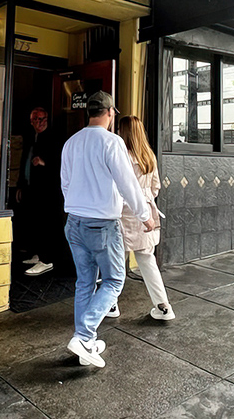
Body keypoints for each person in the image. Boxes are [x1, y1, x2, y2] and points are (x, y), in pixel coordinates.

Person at [61, 91, 155, 368]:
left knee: (85, 282)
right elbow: (128, 183)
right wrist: (145, 215)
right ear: (111, 113)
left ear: (88, 112)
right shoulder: (112, 142)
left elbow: (65, 183)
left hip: (74, 222)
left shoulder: (71, 142)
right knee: (114, 280)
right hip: (101, 224)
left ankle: (86, 344)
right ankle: (83, 336)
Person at [112, 115, 175, 321]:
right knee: (148, 261)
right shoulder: (149, 156)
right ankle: (163, 306)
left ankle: (111, 303)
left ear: (124, 132)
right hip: (147, 213)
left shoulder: (122, 156)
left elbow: (118, 187)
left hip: (124, 214)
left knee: (116, 261)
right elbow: (156, 187)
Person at [18, 107, 59, 276]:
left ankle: (47, 260)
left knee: (45, 224)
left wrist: (45, 163)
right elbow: (24, 163)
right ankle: (38, 255)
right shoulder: (31, 137)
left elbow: (62, 164)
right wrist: (20, 185)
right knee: (34, 223)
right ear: (31, 122)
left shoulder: (53, 138)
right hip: (31, 187)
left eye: (42, 119)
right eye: (36, 119)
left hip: (47, 191)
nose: (39, 122)